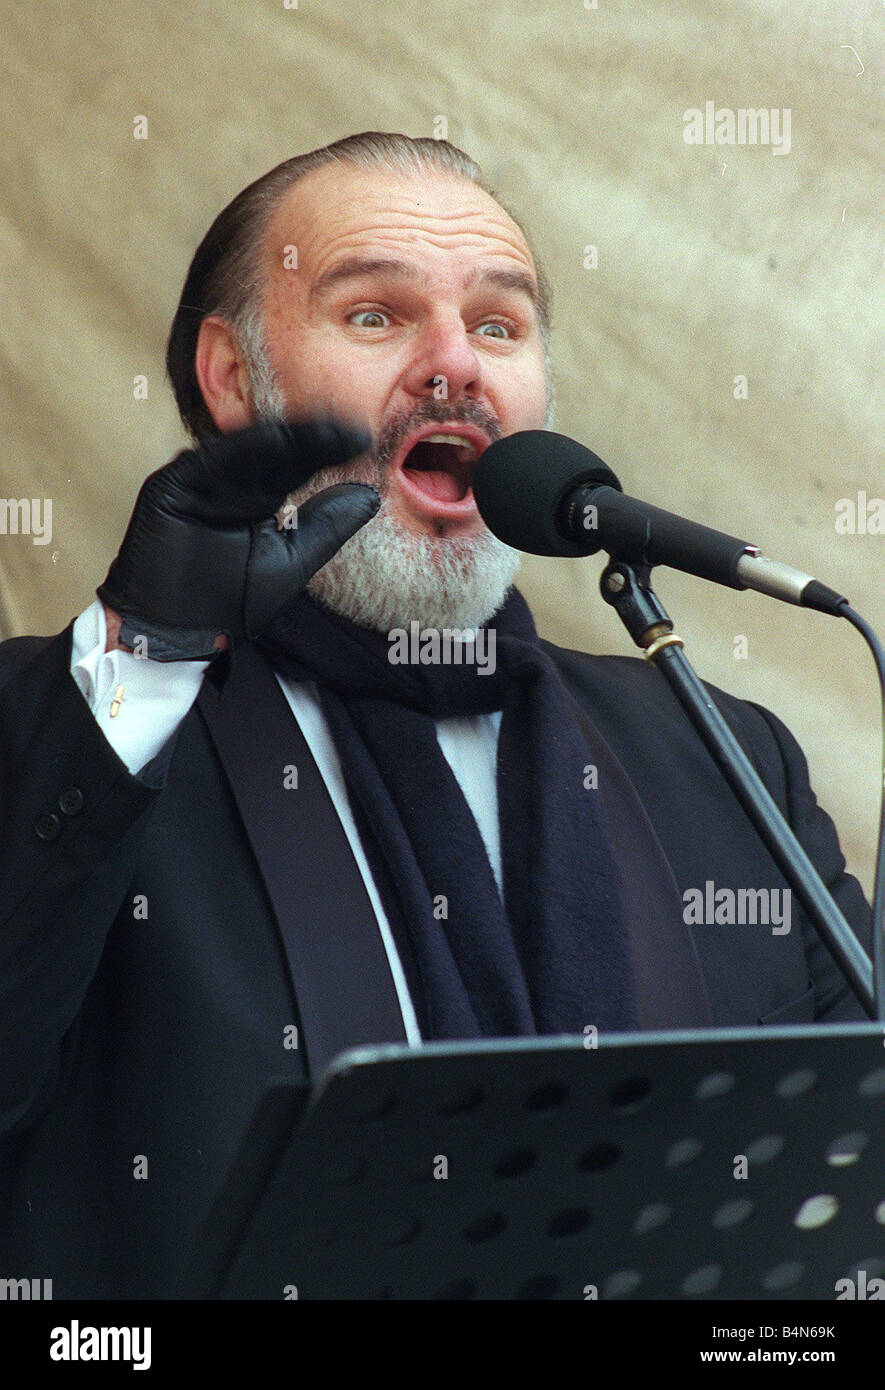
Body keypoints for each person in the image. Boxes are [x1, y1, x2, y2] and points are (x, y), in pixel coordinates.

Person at [0, 132, 871, 1299]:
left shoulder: (726, 756)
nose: (453, 363)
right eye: (375, 316)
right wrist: (148, 653)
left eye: (500, 327)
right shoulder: (70, 728)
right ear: (233, 378)